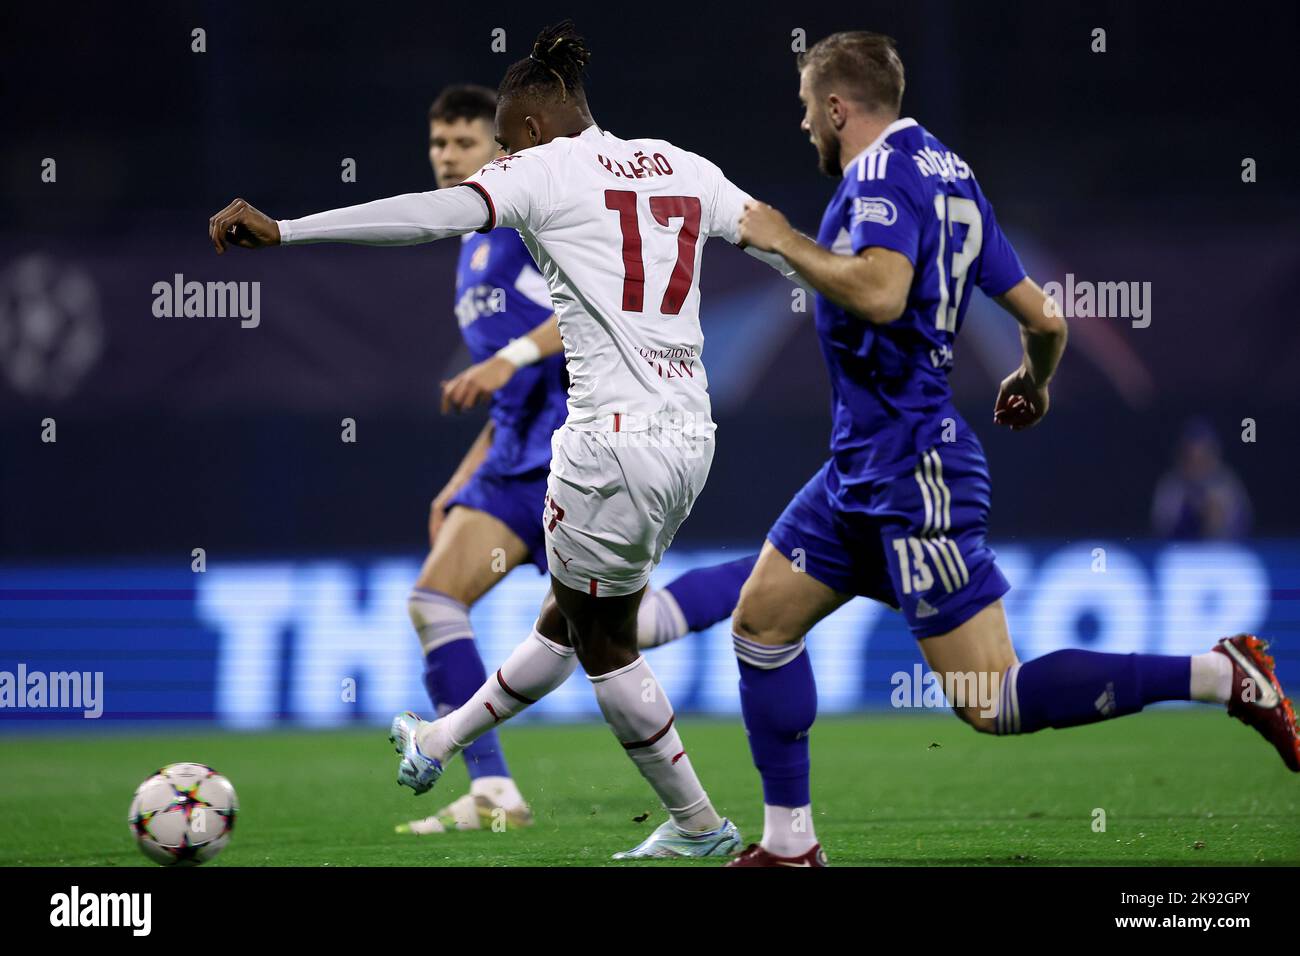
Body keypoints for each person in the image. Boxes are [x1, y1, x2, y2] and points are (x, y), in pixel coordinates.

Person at [208, 22, 793, 860]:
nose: (459, 156)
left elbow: (422, 217)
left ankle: (701, 824)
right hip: (684, 434)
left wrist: (289, 229)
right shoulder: (673, 162)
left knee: (605, 644)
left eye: (470, 139)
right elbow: (768, 231)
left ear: (513, 131)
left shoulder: (537, 180)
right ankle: (445, 742)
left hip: (600, 447)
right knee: (567, 620)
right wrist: (853, 276)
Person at [728, 31, 1298, 867]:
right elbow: (1048, 319)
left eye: (810, 106)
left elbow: (883, 294)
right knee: (761, 626)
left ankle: (1223, 674)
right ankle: (790, 848)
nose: (806, 122)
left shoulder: (881, 177)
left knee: (990, 698)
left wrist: (783, 240)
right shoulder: (948, 172)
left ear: (840, 108)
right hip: (860, 467)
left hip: (911, 468)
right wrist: (1035, 381)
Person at [397, 82, 757, 837]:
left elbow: (590, 308)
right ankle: (778, 573)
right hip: (521, 456)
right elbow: (509, 391)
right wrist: (463, 479)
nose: (447, 157)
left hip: (580, 449)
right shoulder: (475, 242)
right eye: (438, 145)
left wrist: (514, 356)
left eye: (464, 143)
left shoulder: (528, 218)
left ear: (502, 149)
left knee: (567, 632)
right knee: (588, 631)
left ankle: (495, 788)